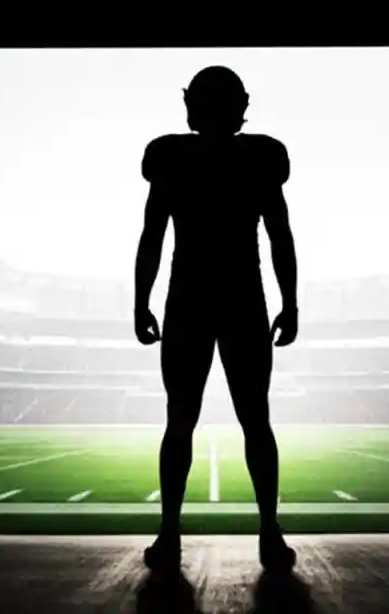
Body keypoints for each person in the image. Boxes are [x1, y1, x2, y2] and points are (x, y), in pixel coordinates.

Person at [133, 65, 299, 571]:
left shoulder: (171, 158)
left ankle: (170, 532)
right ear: (241, 106)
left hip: (189, 297)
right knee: (254, 419)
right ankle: (268, 529)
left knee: (182, 420)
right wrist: (289, 302)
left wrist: (141, 301)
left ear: (193, 105)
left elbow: (153, 236)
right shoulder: (260, 159)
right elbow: (279, 236)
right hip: (242, 297)